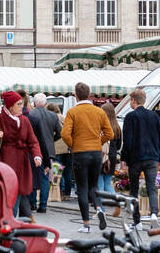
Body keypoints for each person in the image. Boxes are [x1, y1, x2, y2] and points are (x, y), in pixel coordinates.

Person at [61, 82, 112, 232]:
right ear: (89, 94)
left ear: (75, 95)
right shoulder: (99, 112)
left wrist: (74, 144)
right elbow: (110, 134)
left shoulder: (72, 112)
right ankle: (98, 208)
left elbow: (64, 134)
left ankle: (86, 224)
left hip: (80, 153)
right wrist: (98, 142)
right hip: (96, 153)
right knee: (94, 186)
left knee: (82, 188)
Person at [0, 91, 43, 221]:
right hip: (3, 162)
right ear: (10, 105)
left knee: (17, 193)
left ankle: (10, 222)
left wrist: (37, 156)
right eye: (18, 104)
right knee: (5, 195)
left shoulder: (24, 120)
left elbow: (33, 141)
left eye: (22, 104)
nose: (21, 107)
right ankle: (4, 222)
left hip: (21, 163)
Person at [119, 89, 160, 220]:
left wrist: (124, 159)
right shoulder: (154, 116)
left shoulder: (130, 117)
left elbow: (127, 140)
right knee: (151, 188)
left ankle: (136, 219)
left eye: (130, 100)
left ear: (133, 100)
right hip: (152, 157)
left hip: (135, 158)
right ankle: (154, 213)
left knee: (134, 190)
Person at [26, 94, 56, 213]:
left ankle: (32, 203)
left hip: (34, 150)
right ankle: (43, 205)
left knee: (32, 175)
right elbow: (60, 132)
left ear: (34, 103)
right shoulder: (53, 115)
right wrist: (51, 140)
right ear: (46, 103)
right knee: (45, 178)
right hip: (48, 150)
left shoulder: (31, 115)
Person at [96, 102, 122, 206]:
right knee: (107, 182)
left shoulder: (102, 126)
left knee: (100, 183)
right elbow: (119, 145)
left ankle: (101, 208)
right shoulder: (117, 127)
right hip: (113, 156)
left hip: (103, 156)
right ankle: (117, 202)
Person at [48, 102, 73, 200]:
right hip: (67, 148)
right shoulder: (65, 118)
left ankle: (60, 192)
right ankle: (67, 194)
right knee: (67, 173)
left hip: (56, 149)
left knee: (58, 171)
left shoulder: (51, 118)